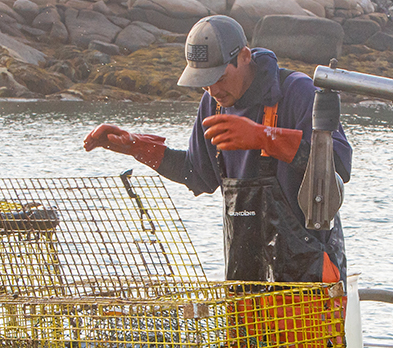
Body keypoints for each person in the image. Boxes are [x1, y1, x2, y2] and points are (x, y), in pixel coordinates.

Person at [83, 15, 352, 284]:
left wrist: (263, 137)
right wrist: (137, 147)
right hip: (246, 278)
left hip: (310, 274)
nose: (213, 90)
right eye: (204, 82)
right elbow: (197, 174)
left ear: (245, 57)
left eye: (220, 78)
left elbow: (340, 164)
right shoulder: (212, 104)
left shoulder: (297, 91)